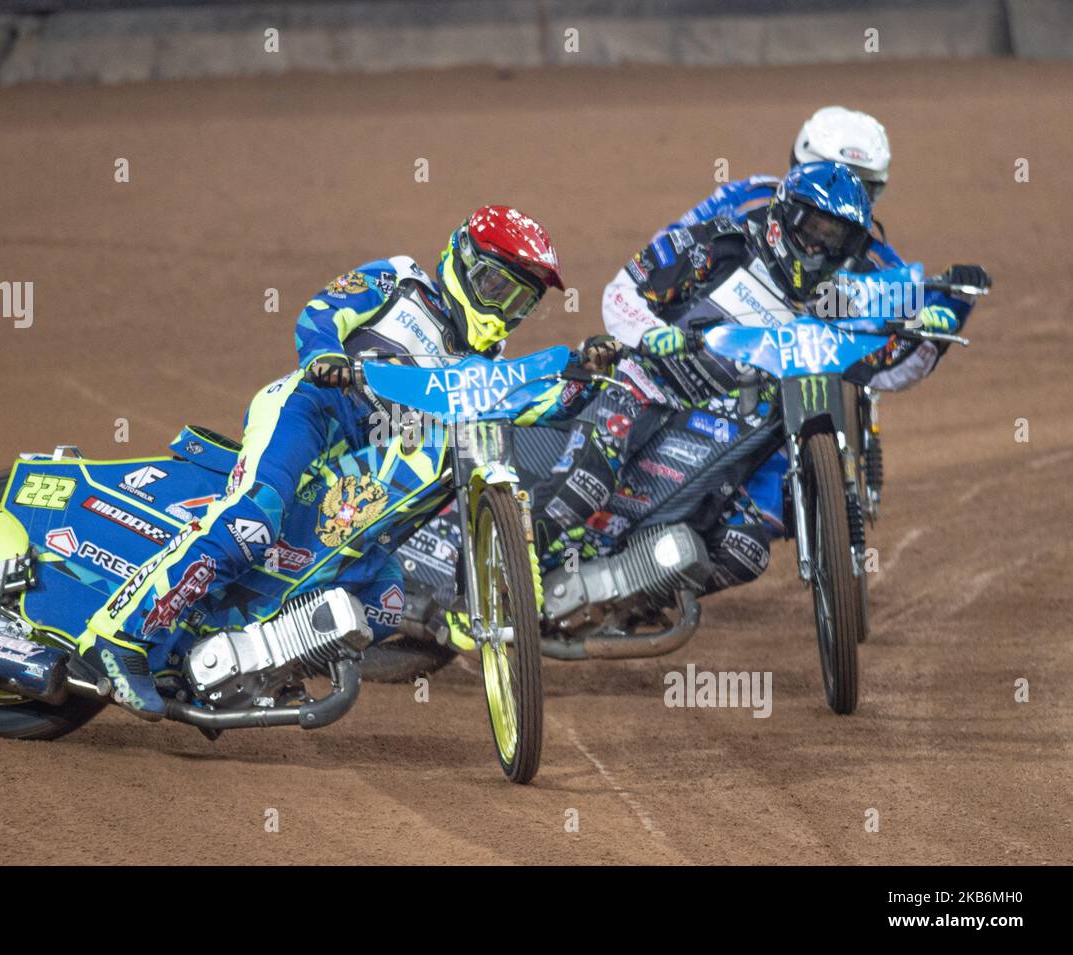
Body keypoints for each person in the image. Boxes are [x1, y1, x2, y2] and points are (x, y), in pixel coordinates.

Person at [78, 205, 581, 717]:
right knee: (252, 520)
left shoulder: (482, 368)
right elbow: (323, 310)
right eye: (498, 288)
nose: (505, 309)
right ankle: (119, 636)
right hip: (309, 413)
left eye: (521, 301)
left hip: (356, 474)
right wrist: (325, 354)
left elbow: (533, 403)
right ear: (464, 262)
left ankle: (255, 665)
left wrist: (586, 376)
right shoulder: (401, 281)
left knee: (384, 600)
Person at [568, 162, 983, 595]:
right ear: (784, 216)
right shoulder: (724, 243)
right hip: (650, 395)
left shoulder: (838, 300)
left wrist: (940, 316)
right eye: (814, 230)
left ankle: (636, 596)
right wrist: (653, 335)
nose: (819, 248)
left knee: (745, 549)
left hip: (720, 446)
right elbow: (625, 290)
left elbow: (888, 363)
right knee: (586, 480)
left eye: (835, 239)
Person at [643, 104, 988, 391]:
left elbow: (904, 300)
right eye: (839, 175)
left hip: (811, 378)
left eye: (866, 186)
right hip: (713, 348)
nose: (848, 194)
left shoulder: (871, 252)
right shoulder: (750, 197)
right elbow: (672, 244)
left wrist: (950, 299)